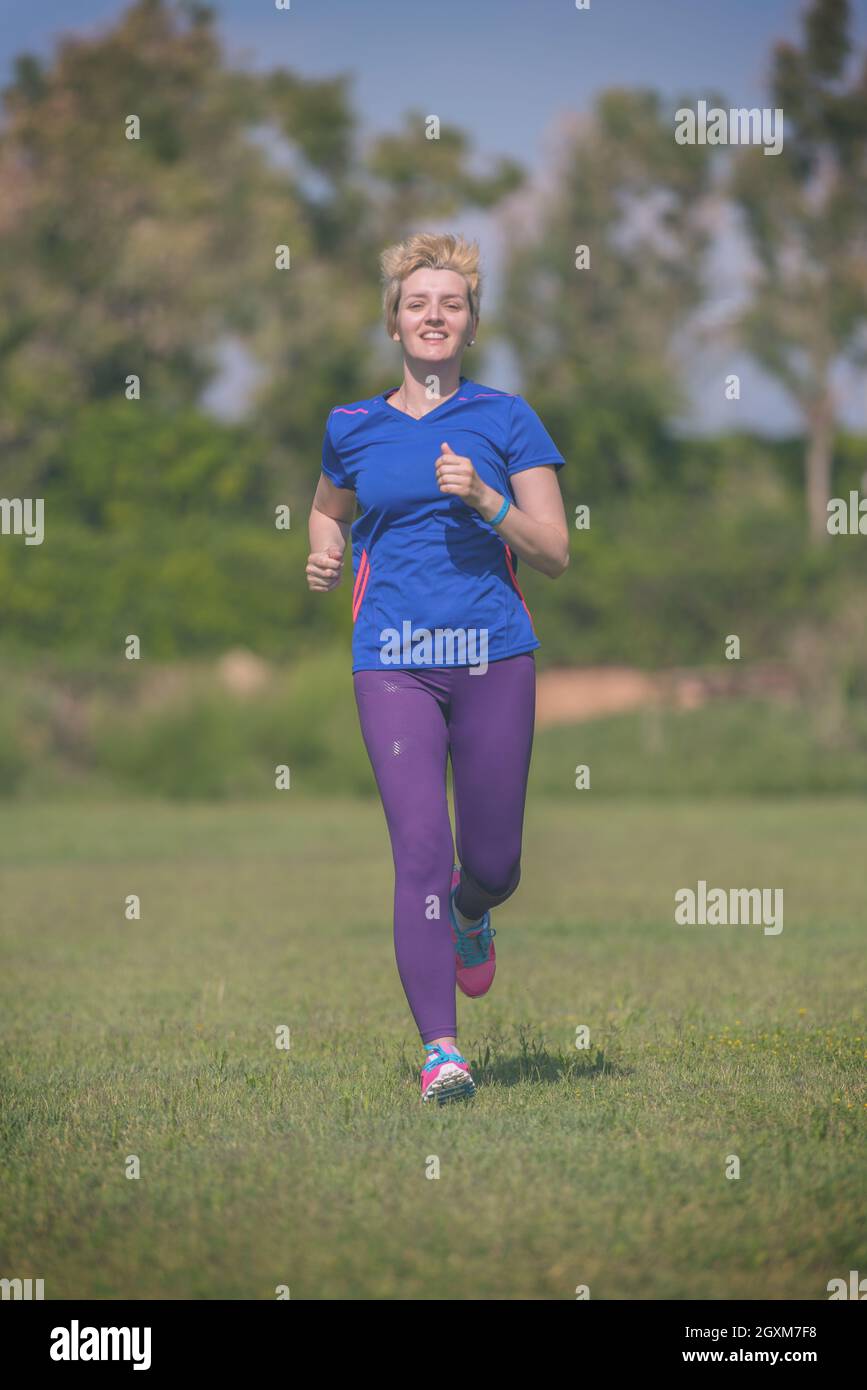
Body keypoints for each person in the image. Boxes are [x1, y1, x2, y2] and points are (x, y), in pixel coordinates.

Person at [306, 233, 569, 1104]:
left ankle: (473, 910)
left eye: (449, 303)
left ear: (469, 322)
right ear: (394, 321)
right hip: (392, 661)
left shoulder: (506, 418)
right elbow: (326, 509)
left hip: (493, 656)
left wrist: (486, 498)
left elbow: (555, 551)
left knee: (491, 861)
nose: (432, 315)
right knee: (420, 849)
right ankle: (441, 1053)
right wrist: (322, 550)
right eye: (416, 302)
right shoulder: (352, 425)